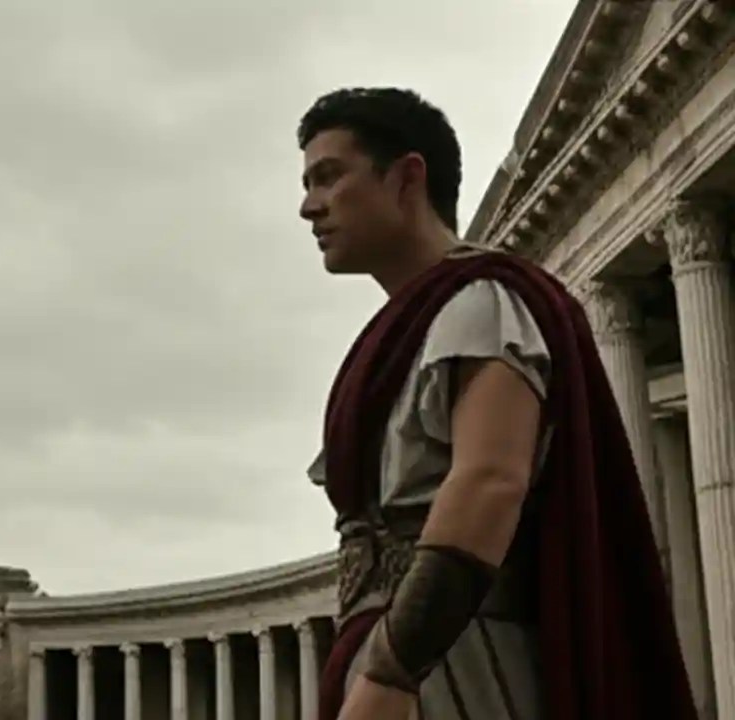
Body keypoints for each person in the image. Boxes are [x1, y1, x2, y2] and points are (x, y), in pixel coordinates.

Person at [297, 87, 698, 720]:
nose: (308, 206)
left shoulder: (483, 302)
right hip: (400, 652)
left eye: (328, 176)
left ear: (406, 177)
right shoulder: (409, 329)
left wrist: (393, 669)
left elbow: (489, 482)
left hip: (453, 657)